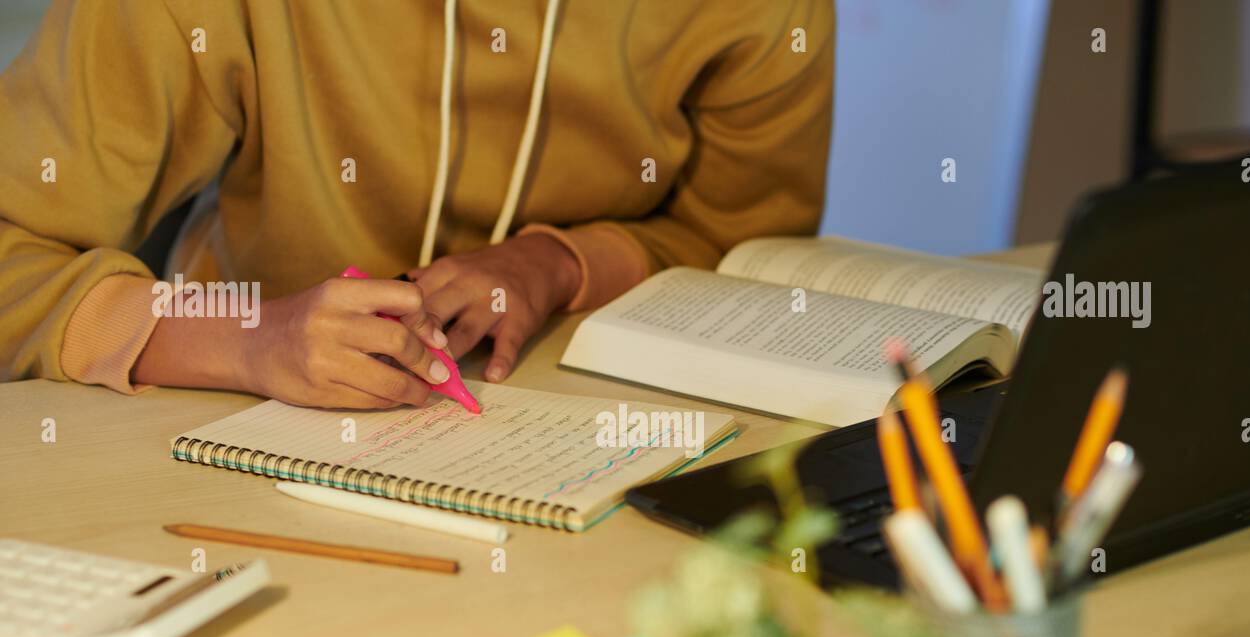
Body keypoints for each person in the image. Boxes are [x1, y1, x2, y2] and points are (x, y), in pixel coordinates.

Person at [0, 0, 832, 408]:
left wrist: (560, 264)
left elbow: (752, 254)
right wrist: (252, 340)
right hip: (216, 447)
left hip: (590, 466)